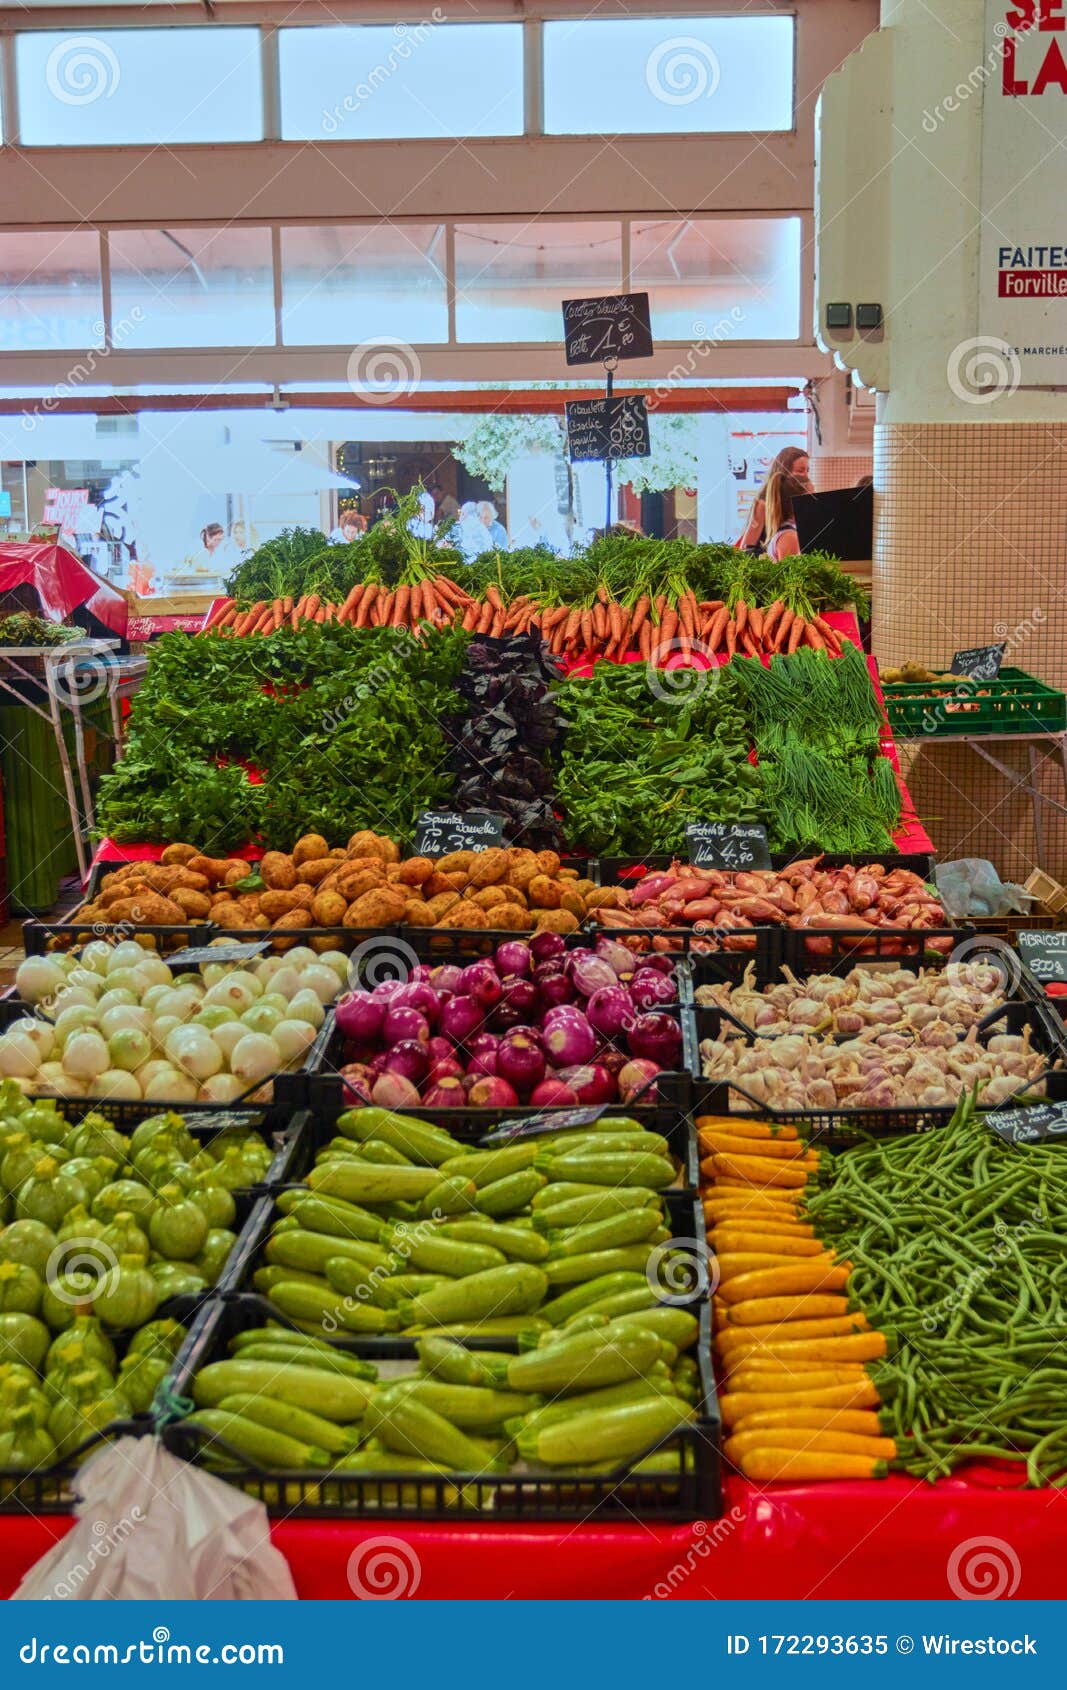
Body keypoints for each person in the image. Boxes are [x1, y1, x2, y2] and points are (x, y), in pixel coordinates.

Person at [737, 447, 812, 552]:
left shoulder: (798, 501)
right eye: (800, 470)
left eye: (807, 470)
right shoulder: (763, 503)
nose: (806, 475)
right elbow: (745, 548)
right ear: (784, 471)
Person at [763, 469, 806, 561]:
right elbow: (790, 574)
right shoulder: (789, 537)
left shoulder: (790, 532)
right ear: (794, 502)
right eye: (810, 497)